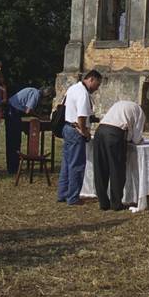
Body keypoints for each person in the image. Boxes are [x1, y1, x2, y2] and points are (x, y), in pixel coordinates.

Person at [56, 71, 101, 206]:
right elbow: (81, 117)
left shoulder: (73, 88)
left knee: (67, 164)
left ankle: (62, 194)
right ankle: (73, 198)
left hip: (67, 128)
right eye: (97, 84)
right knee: (77, 165)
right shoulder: (83, 93)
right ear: (91, 79)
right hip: (76, 131)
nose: (97, 88)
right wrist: (85, 132)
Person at [94, 100, 145, 211]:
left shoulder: (120, 103)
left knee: (101, 168)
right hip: (115, 134)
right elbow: (136, 138)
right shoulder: (140, 112)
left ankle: (103, 203)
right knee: (116, 169)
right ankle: (116, 203)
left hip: (100, 131)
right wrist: (140, 140)